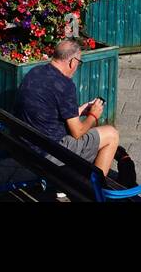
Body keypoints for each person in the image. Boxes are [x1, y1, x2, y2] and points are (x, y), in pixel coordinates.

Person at [17, 39, 123, 177]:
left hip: (25, 144)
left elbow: (50, 113)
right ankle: (93, 190)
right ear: (72, 61)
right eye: (79, 62)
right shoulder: (64, 85)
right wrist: (93, 115)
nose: (77, 66)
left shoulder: (34, 72)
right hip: (50, 152)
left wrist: (77, 111)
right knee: (111, 134)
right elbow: (77, 133)